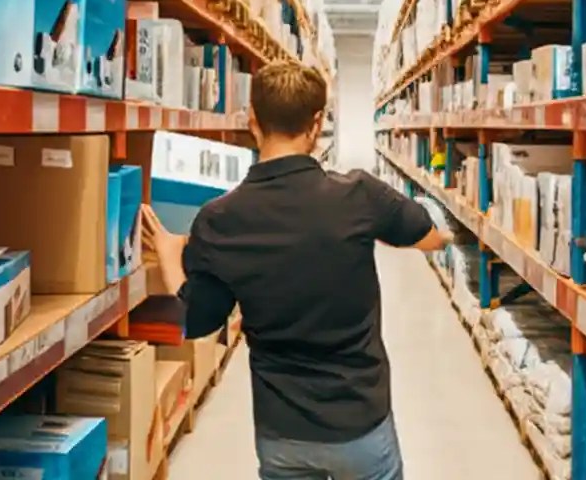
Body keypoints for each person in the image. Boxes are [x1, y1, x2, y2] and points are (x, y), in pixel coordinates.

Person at [140, 61, 452, 480]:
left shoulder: (219, 220)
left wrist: (168, 253)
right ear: (317, 123)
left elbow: (198, 320)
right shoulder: (359, 195)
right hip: (360, 423)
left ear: (252, 120)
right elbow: (429, 236)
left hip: (282, 432)